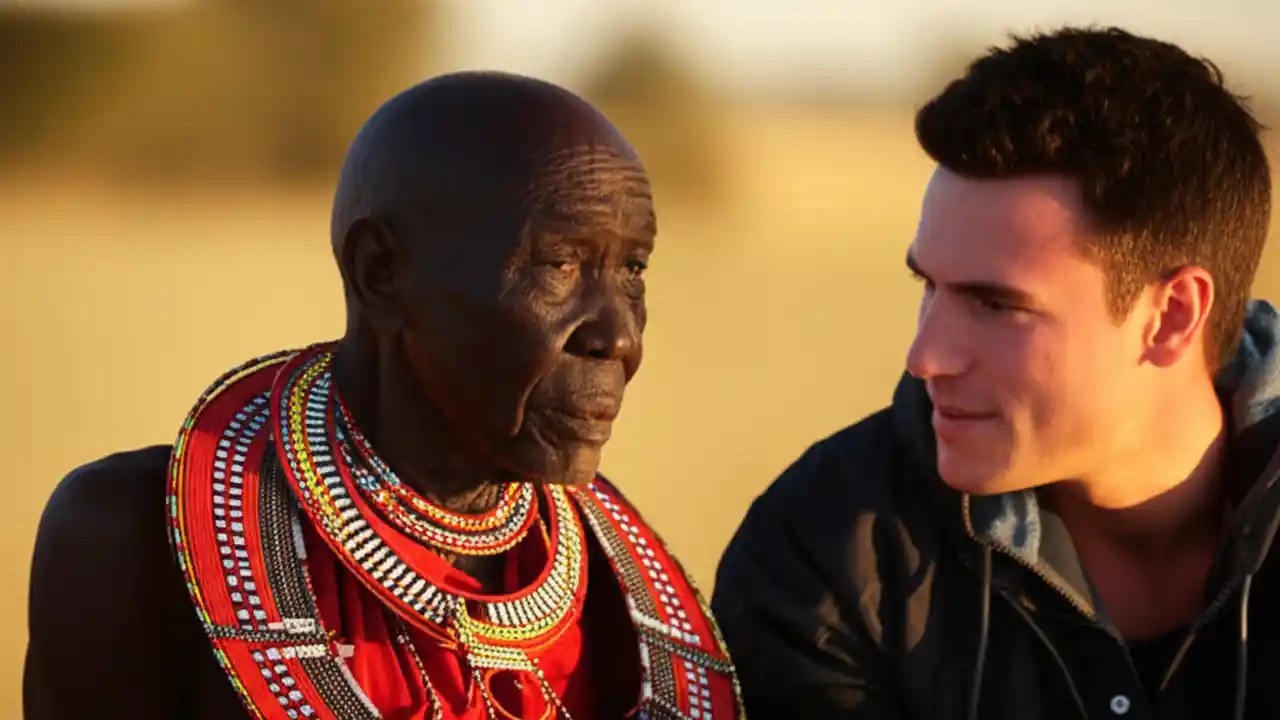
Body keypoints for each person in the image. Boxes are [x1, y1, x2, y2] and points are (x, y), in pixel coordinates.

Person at [25, 72, 742, 720]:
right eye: (559, 264)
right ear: (381, 273)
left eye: (633, 271)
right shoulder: (135, 544)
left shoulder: (619, 604)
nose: (619, 338)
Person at [713, 26, 1280, 719]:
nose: (926, 357)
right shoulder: (829, 548)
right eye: (930, 286)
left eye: (994, 303)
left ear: (1170, 317)